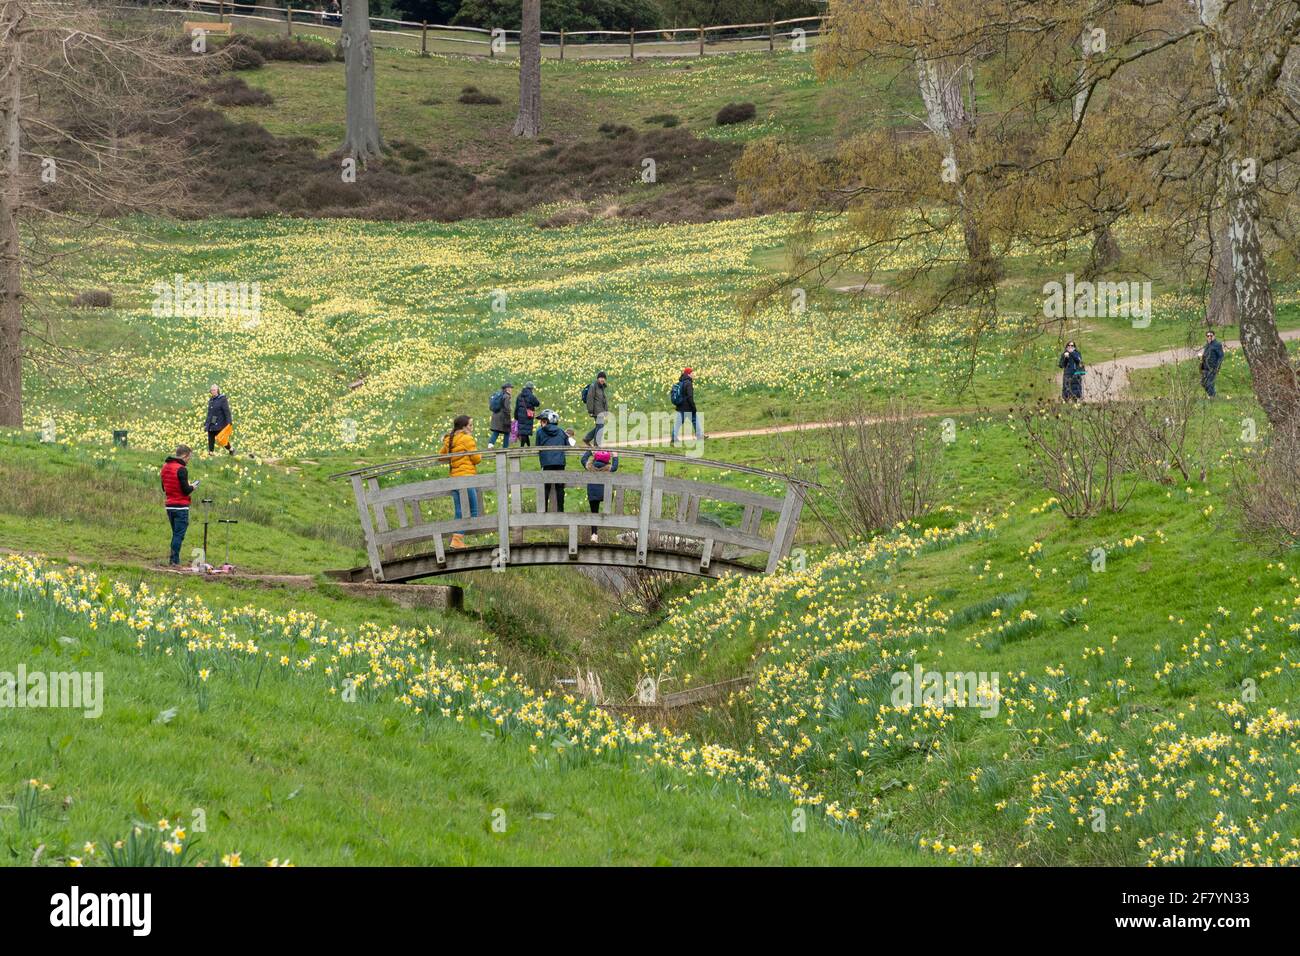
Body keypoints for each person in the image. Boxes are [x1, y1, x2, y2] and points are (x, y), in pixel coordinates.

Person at [439, 414, 481, 548]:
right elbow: (477, 459)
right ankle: (457, 539)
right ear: (463, 427)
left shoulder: (449, 440)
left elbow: (441, 457)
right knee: (473, 511)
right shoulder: (467, 439)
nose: (472, 428)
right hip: (467, 479)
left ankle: (457, 540)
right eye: (470, 425)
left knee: (459, 511)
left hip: (454, 480)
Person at [160, 445, 199, 567]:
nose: (189, 460)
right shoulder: (181, 469)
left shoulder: (165, 467)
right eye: (189, 458)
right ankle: (174, 561)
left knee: (176, 534)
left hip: (169, 506)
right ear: (185, 456)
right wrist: (193, 486)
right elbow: (186, 490)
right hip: (181, 506)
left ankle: (174, 559)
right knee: (178, 535)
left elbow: (163, 488)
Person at [535, 410, 575, 512]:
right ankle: (560, 511)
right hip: (559, 462)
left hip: (546, 463)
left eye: (543, 420)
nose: (541, 423)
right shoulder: (561, 431)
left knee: (546, 487)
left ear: (547, 421)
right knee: (560, 487)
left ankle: (544, 512)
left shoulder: (540, 432)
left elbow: (537, 447)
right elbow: (567, 446)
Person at [581, 448, 619, 543]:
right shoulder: (608, 468)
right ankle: (607, 526)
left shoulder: (590, 466)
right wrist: (615, 456)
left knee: (594, 512)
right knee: (607, 507)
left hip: (593, 494)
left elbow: (583, 459)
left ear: (595, 457)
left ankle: (594, 534)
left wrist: (590, 451)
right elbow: (615, 466)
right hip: (605, 494)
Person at [670, 367, 703, 444]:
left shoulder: (681, 382)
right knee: (695, 420)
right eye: (692, 373)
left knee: (678, 423)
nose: (693, 374)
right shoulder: (688, 383)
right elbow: (690, 397)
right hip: (688, 407)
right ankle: (699, 436)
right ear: (688, 374)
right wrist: (693, 407)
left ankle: (674, 438)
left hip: (680, 407)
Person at [582, 371, 609, 446]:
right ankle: (597, 445)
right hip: (596, 411)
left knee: (599, 426)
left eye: (604, 378)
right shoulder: (593, 386)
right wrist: (590, 410)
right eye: (601, 378)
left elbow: (604, 401)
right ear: (598, 378)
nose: (602, 379)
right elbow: (590, 399)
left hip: (601, 411)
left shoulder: (602, 387)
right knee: (600, 427)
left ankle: (587, 438)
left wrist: (606, 411)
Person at [205, 385, 233, 455]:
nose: (213, 391)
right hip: (212, 421)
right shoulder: (211, 400)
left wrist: (229, 422)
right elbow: (210, 413)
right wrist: (207, 422)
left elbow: (226, 411)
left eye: (214, 390)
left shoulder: (222, 399)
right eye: (212, 390)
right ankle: (211, 452)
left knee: (222, 439)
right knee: (210, 436)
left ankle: (231, 449)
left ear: (217, 390)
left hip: (220, 422)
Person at [487, 382, 513, 448]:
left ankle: (490, 444)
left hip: (495, 416)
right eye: (510, 388)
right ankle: (505, 448)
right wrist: (510, 411)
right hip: (503, 417)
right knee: (507, 432)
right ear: (507, 389)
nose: (511, 389)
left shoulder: (498, 394)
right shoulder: (506, 396)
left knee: (496, 431)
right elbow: (507, 407)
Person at [514, 382, 540, 447]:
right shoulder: (531, 396)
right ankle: (522, 447)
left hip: (520, 416)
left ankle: (528, 446)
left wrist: (516, 416)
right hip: (528, 416)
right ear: (531, 388)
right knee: (525, 432)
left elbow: (516, 407)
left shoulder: (519, 395)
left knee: (524, 433)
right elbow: (537, 403)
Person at [1200, 330, 1225, 397]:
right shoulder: (1207, 345)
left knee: (1209, 384)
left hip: (1212, 368)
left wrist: (1217, 367)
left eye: (1211, 335)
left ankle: (1212, 397)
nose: (1209, 337)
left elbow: (1221, 356)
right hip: (1205, 367)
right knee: (1203, 383)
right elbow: (1206, 355)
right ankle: (1211, 395)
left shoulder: (1217, 344)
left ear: (1214, 336)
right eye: (1208, 336)